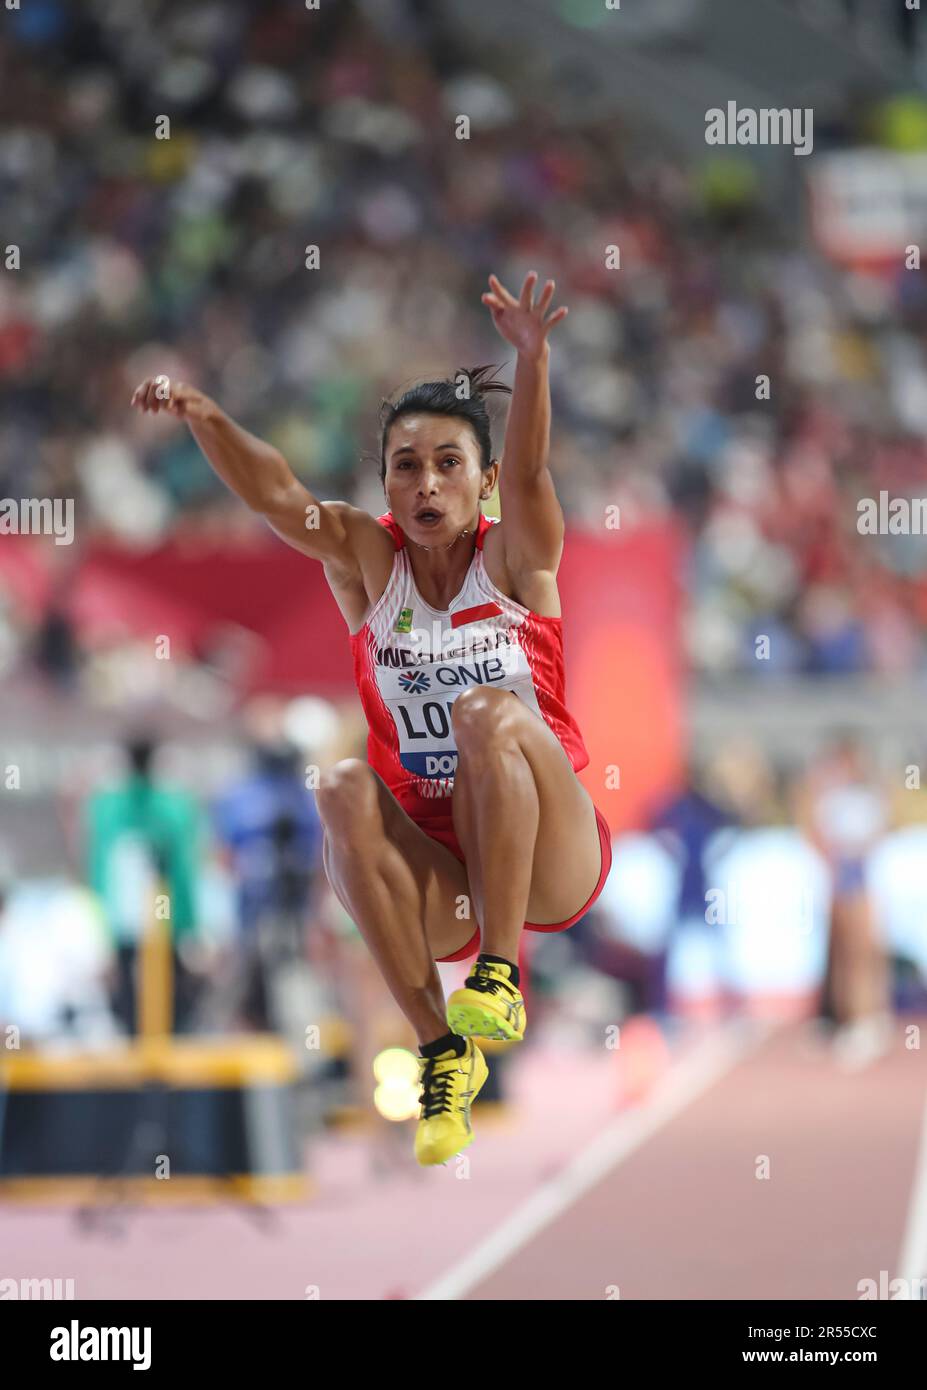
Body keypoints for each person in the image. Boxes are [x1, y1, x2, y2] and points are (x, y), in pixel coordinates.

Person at [131, 271, 613, 1165]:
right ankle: (439, 1050)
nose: (425, 484)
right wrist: (205, 414)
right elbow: (278, 497)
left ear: (484, 480)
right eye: (405, 465)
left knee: (484, 713)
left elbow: (538, 466)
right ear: (384, 482)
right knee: (344, 782)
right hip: (442, 871)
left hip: (549, 853)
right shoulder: (364, 559)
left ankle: (500, 976)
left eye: (447, 464)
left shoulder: (514, 556)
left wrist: (532, 358)